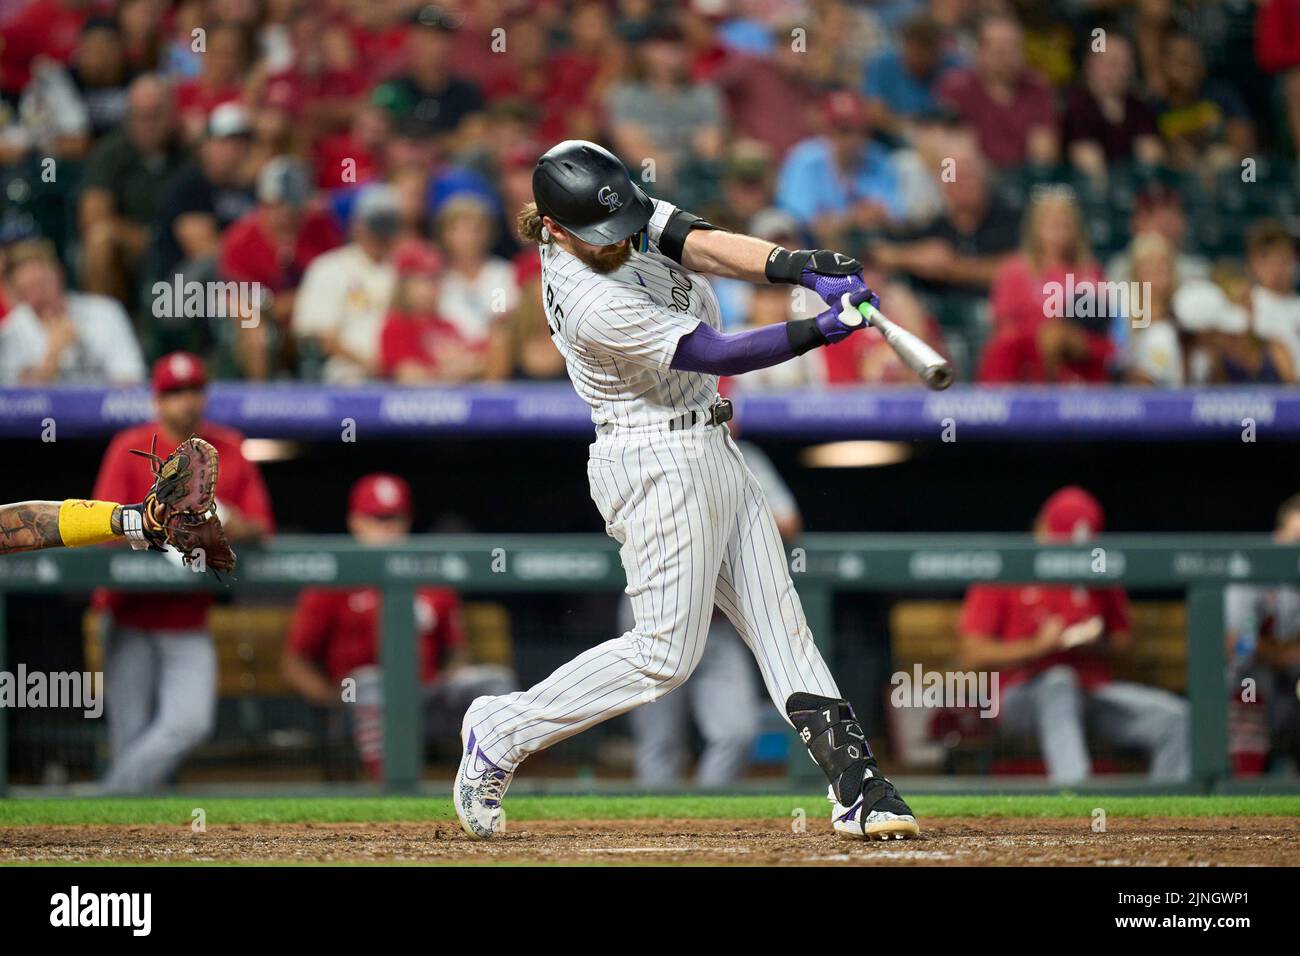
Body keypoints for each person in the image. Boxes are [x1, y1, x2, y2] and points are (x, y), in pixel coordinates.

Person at [455, 140, 918, 842]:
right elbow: (717, 352)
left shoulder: (622, 211)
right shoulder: (587, 300)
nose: (623, 242)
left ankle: (858, 786)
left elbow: (699, 243)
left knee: (779, 621)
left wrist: (800, 265)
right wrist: (821, 329)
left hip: (711, 441)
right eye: (602, 237)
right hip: (651, 457)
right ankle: (500, 728)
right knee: (664, 656)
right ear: (554, 229)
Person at [91, 352, 274, 793]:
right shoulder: (129, 446)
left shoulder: (228, 447)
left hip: (188, 618)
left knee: (189, 724)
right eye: (174, 392)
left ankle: (105, 801)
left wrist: (226, 522)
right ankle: (123, 836)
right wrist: (161, 527)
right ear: (157, 400)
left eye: (193, 389)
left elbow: (261, 526)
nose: (186, 401)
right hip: (128, 614)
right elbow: (104, 528)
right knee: (129, 736)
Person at [282, 474, 514, 779]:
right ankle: (388, 784)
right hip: (361, 700)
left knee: (495, 682)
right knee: (371, 684)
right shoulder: (332, 581)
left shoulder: (431, 575)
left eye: (394, 518)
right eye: (377, 519)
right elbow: (294, 662)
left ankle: (496, 784)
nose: (388, 528)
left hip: (427, 696)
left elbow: (457, 650)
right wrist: (330, 699)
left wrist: (451, 674)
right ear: (356, 522)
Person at [959, 486, 1191, 785]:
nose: (1074, 555)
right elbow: (972, 656)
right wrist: (1037, 646)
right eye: (1065, 545)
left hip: (1091, 693)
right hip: (1021, 698)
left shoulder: (1096, 569)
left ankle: (1169, 820)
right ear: (1042, 529)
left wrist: (1096, 644)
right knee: (1059, 682)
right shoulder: (1007, 566)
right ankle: (1077, 799)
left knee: (1177, 719)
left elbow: (1123, 644)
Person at [623, 434, 799, 788]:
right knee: (660, 743)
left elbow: (788, 522)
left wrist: (729, 516)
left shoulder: (744, 456)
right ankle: (652, 836)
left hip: (717, 622)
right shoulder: (650, 445)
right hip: (655, 614)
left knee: (738, 731)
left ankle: (701, 819)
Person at [979, 187, 1113, 384]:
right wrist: (1045, 332)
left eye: (1065, 222)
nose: (1058, 228)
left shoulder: (1090, 271)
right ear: (1035, 227)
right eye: (1051, 222)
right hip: (1026, 352)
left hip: (1078, 348)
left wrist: (1069, 336)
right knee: (1013, 341)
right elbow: (1004, 322)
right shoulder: (1014, 270)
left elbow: (1100, 325)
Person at [78, 74, 187, 304]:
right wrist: (144, 238)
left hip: (186, 241)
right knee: (100, 239)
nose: (147, 124)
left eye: (155, 115)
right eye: (139, 116)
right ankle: (105, 329)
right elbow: (93, 218)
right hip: (135, 245)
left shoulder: (190, 150)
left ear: (173, 114)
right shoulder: (110, 152)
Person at [291, 184, 400, 383]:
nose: (380, 236)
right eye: (375, 226)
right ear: (357, 225)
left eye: (387, 227)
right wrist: (370, 365)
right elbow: (319, 335)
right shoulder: (329, 268)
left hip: (404, 375)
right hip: (349, 374)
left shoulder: (405, 269)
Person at [0, 239, 145, 386]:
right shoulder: (12, 330)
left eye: (42, 285)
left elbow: (131, 380)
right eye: (28, 290)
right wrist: (53, 355)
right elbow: (17, 401)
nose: (38, 297)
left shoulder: (106, 313)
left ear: (59, 275)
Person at [1226, 493, 1300, 772]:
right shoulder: (1253, 573)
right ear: (1278, 537)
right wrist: (1286, 654)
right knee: (1249, 686)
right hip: (1253, 687)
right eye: (1296, 540)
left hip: (1292, 693)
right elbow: (1239, 645)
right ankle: (1244, 793)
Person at [775, 91, 904, 250]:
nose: (847, 139)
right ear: (826, 130)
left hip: (871, 247)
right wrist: (853, 218)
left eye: (853, 130)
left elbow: (896, 215)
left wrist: (845, 221)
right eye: (839, 130)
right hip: (812, 249)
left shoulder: (878, 160)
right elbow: (803, 222)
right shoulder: (804, 160)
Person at [935, 13, 1058, 170]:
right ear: (980, 51)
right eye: (999, 50)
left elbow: (1044, 149)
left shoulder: (1038, 88)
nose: (1006, 58)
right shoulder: (956, 87)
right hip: (977, 173)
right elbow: (951, 144)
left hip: (1023, 176)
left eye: (1013, 48)